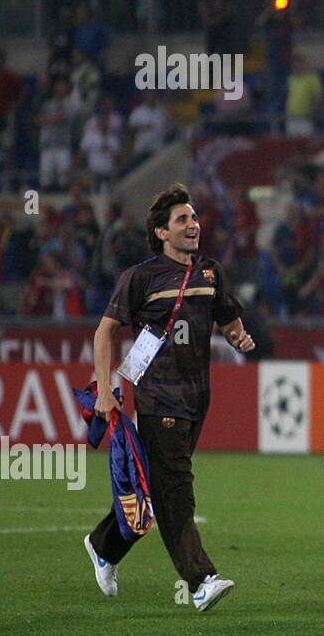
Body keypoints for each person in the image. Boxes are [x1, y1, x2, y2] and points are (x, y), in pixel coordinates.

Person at [83, 183, 254, 612]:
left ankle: (104, 543)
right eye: (182, 219)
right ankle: (201, 581)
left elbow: (228, 318)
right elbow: (105, 331)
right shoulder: (140, 278)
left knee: (158, 489)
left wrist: (238, 337)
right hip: (159, 399)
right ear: (161, 231)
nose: (193, 225)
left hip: (198, 398)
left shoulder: (210, 272)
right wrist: (105, 389)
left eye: (194, 218)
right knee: (176, 490)